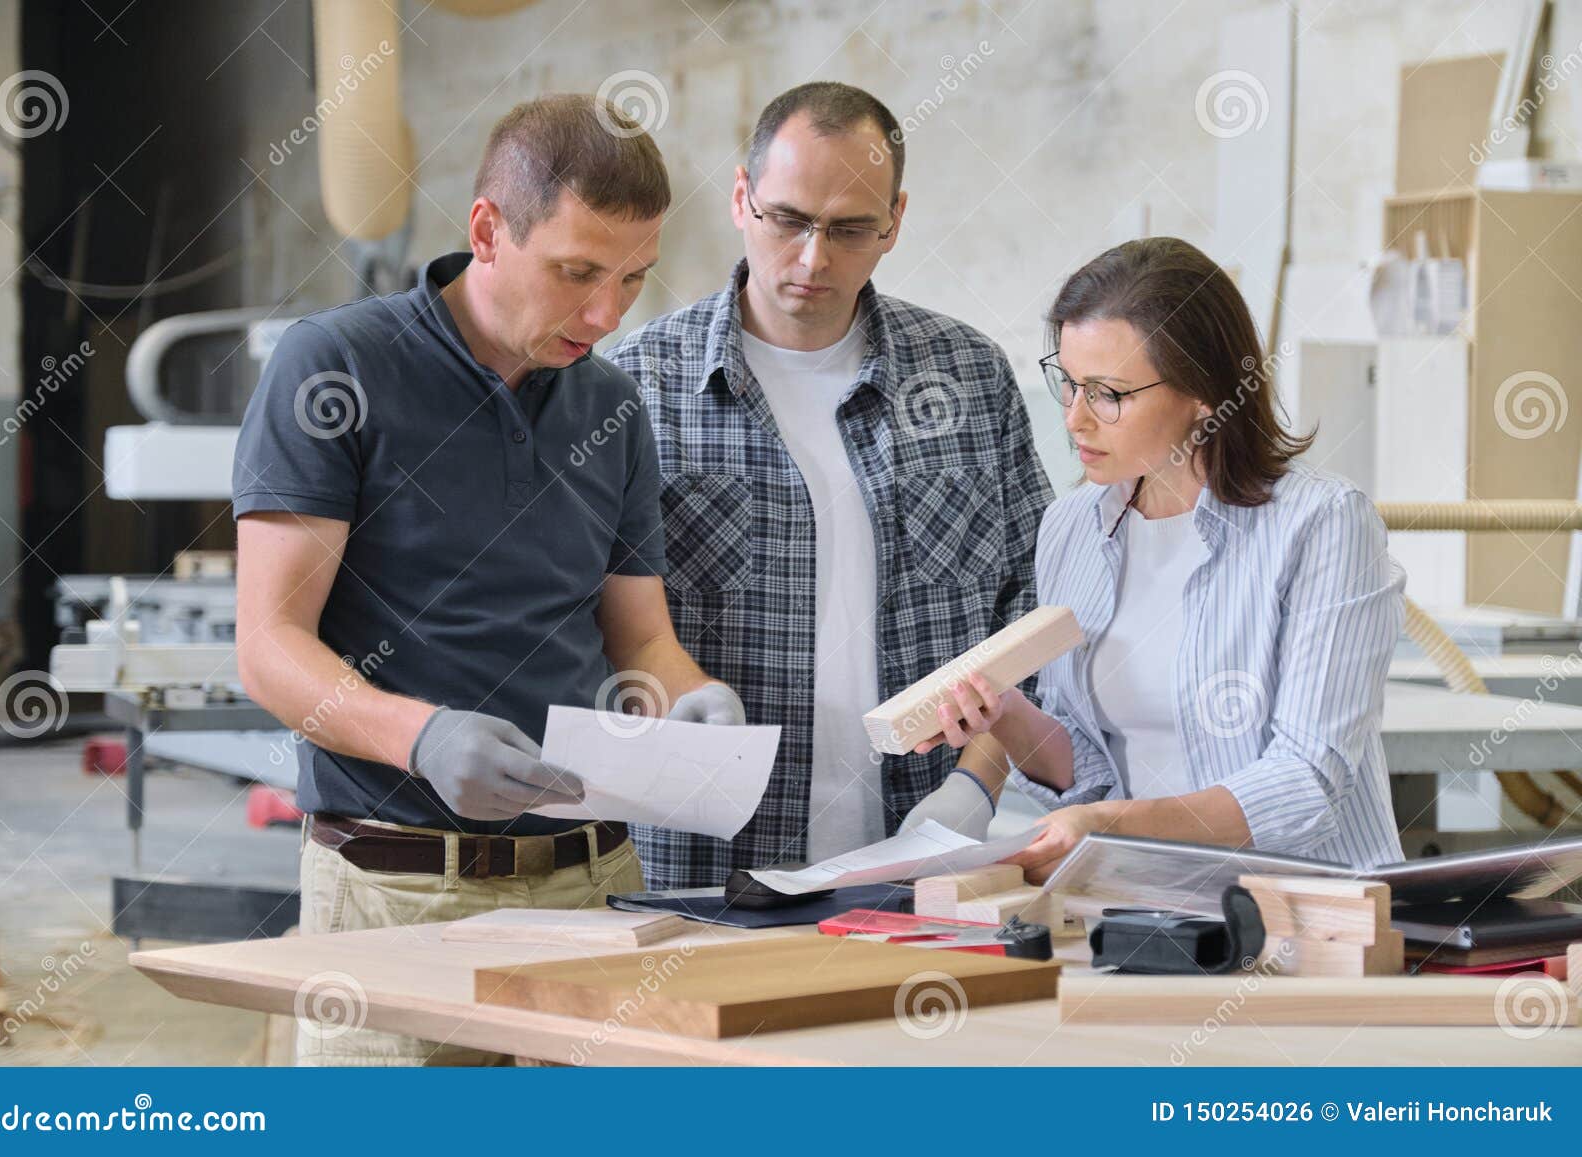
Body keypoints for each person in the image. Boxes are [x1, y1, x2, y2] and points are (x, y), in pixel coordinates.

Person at [232, 94, 741, 1065]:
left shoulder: (611, 404)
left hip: (592, 889)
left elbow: (638, 635)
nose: (605, 313)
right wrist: (420, 736)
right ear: (486, 231)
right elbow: (267, 647)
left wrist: (694, 699)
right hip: (395, 886)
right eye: (576, 272)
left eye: (632, 278)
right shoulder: (337, 364)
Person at [605, 82, 1053, 889]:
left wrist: (975, 783)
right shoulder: (634, 387)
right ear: (742, 200)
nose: (814, 259)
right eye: (789, 220)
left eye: (850, 229)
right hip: (701, 874)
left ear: (895, 222)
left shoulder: (969, 379)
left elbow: (1035, 613)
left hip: (921, 863)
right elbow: (590, 620)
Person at [919, 236, 1406, 884]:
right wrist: (1004, 714)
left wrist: (1112, 824)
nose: (1074, 419)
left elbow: (1306, 782)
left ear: (1204, 392)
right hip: (1144, 916)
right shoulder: (1072, 529)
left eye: (1108, 394)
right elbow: (1088, 770)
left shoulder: (1320, 525)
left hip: (1309, 924)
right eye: (1067, 382)